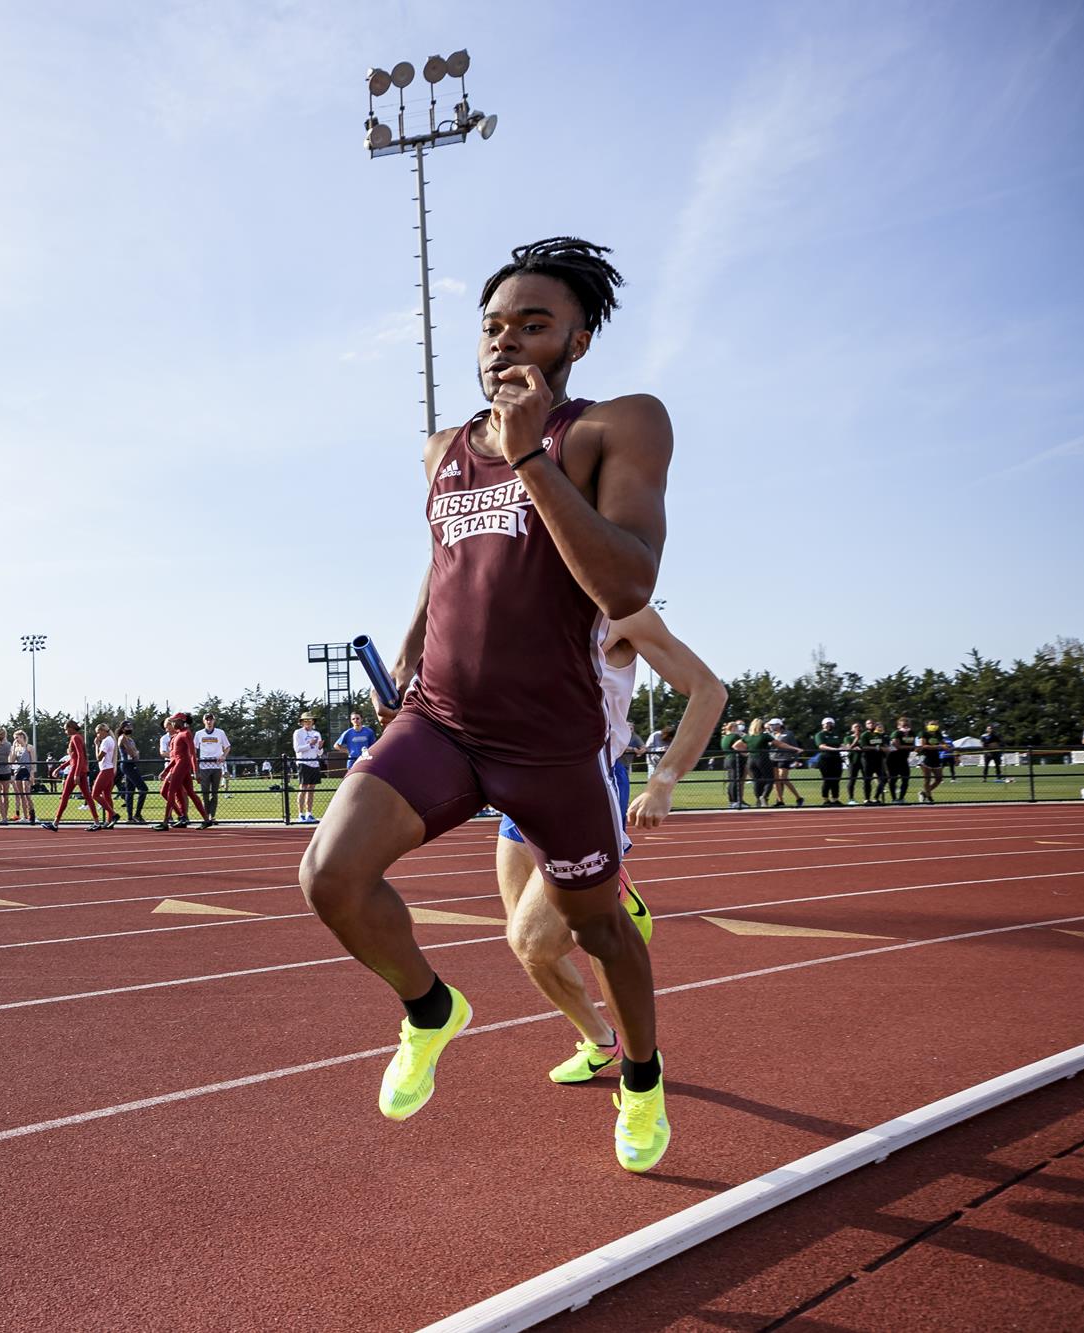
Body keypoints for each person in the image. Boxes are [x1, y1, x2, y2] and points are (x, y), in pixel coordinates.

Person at [299, 238, 675, 1171]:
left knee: (597, 927)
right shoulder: (440, 450)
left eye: (534, 325)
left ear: (577, 343)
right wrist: (405, 658)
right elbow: (447, 567)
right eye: (494, 325)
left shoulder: (619, 424)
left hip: (550, 739)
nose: (506, 341)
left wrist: (531, 456)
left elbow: (628, 581)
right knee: (330, 875)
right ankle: (431, 1009)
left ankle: (641, 1076)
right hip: (442, 719)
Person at [499, 603, 723, 1087]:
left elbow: (709, 690)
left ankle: (613, 895)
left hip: (585, 787)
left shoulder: (621, 613)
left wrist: (663, 781)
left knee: (537, 939)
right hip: (518, 789)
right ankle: (601, 1041)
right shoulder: (514, 606)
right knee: (530, 949)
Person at [155, 711, 210, 831]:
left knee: (171, 792)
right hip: (181, 766)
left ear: (181, 721)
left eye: (174, 721)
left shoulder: (186, 734)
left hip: (181, 767)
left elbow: (192, 754)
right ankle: (205, 819)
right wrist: (166, 770)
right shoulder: (179, 734)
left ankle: (165, 822)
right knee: (190, 792)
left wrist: (196, 772)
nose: (172, 724)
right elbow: (175, 758)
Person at [40, 717, 96, 833]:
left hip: (76, 771)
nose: (65, 731)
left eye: (66, 729)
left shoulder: (75, 737)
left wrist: (76, 774)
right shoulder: (78, 737)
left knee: (65, 796)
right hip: (81, 770)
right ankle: (97, 822)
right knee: (87, 796)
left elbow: (80, 756)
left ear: (71, 728)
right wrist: (60, 768)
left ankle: (55, 823)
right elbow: (73, 758)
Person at [193, 713, 230, 824]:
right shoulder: (199, 734)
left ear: (214, 721)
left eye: (211, 720)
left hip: (217, 765)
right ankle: (206, 816)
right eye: (207, 720)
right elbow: (194, 748)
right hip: (204, 766)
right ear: (204, 721)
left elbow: (227, 746)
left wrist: (223, 756)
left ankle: (212, 816)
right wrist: (195, 759)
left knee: (214, 792)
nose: (209, 722)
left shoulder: (220, 733)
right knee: (205, 792)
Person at [765, 719, 806, 807]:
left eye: (773, 725)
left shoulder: (788, 733)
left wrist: (796, 759)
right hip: (773, 758)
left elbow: (794, 746)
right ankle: (780, 801)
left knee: (782, 778)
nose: (771, 726)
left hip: (785, 758)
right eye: (771, 725)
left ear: (779, 725)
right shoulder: (770, 734)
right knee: (776, 780)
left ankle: (799, 798)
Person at [292, 712, 325, 823]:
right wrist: (310, 744)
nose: (308, 722)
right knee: (303, 788)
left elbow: (319, 753)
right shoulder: (298, 732)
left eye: (310, 720)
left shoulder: (317, 733)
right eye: (305, 720)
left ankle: (309, 814)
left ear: (313, 722)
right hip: (303, 762)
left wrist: (320, 747)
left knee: (311, 789)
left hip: (314, 763)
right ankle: (300, 814)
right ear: (301, 722)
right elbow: (297, 749)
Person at [88, 721, 119, 830]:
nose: (97, 735)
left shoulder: (106, 741)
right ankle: (109, 821)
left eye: (98, 732)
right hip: (109, 769)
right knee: (107, 795)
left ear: (103, 731)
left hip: (106, 770)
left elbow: (99, 758)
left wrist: (96, 746)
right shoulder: (110, 740)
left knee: (95, 794)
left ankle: (113, 814)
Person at [115, 722, 149, 824]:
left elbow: (136, 754)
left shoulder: (130, 739)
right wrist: (135, 753)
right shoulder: (122, 738)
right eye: (127, 727)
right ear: (122, 728)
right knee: (143, 788)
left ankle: (130, 817)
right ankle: (137, 814)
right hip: (127, 765)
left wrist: (135, 753)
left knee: (130, 790)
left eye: (131, 726)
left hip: (132, 765)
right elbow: (132, 753)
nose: (130, 728)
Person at [813, 717, 847, 806]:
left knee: (836, 779)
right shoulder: (820, 734)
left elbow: (841, 745)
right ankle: (826, 799)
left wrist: (847, 747)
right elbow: (821, 746)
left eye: (830, 723)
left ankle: (835, 799)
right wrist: (834, 749)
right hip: (825, 759)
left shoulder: (836, 734)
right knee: (827, 780)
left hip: (836, 758)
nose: (829, 725)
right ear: (823, 725)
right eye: (827, 724)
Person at [334, 710, 378, 775]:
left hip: (365, 760)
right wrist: (348, 751)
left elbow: (374, 746)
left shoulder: (369, 732)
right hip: (352, 761)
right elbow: (336, 746)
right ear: (351, 721)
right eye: (353, 719)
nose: (355, 720)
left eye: (357, 718)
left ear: (361, 719)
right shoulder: (347, 733)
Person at [855, 720, 887, 805]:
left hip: (878, 759)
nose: (871, 724)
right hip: (868, 759)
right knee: (867, 779)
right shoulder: (865, 735)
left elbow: (883, 744)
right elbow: (864, 746)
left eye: (873, 723)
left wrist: (885, 748)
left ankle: (876, 797)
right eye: (869, 723)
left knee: (884, 778)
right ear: (866, 725)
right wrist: (876, 748)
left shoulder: (879, 734)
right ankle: (866, 799)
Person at [885, 715, 916, 804]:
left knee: (905, 779)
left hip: (904, 759)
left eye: (907, 725)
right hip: (893, 759)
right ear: (899, 726)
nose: (906, 727)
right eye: (904, 725)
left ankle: (901, 798)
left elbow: (913, 745)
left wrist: (913, 748)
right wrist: (911, 747)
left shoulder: (912, 733)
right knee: (893, 779)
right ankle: (894, 799)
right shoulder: (896, 733)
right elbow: (897, 746)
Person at [9, 731, 37, 825]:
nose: (16, 740)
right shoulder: (16, 748)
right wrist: (13, 750)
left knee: (27, 794)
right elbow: (11, 761)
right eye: (15, 738)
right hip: (18, 772)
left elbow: (33, 761)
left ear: (22, 737)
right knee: (21, 795)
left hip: (26, 771)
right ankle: (25, 816)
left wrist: (32, 773)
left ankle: (32, 814)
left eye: (17, 737)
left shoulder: (29, 747)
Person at [720, 720, 749, 808]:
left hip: (727, 760)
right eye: (736, 727)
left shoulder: (724, 737)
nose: (738, 728)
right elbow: (742, 746)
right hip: (735, 760)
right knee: (736, 781)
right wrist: (746, 753)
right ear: (733, 728)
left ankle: (732, 801)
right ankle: (736, 801)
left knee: (732, 781)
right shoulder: (734, 736)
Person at [917, 720, 947, 803]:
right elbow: (923, 746)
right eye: (931, 724)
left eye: (935, 724)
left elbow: (944, 744)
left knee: (939, 779)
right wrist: (939, 746)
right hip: (926, 757)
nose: (933, 726)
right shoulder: (924, 733)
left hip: (935, 758)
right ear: (927, 725)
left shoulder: (938, 734)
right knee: (927, 779)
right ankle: (929, 797)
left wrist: (946, 746)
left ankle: (924, 793)